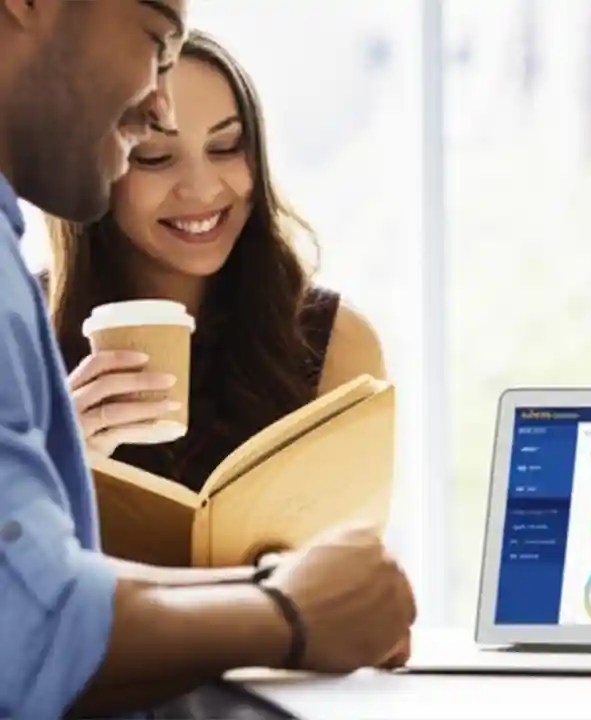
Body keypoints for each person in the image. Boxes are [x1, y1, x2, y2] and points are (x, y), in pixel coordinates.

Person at [0, 2, 414, 717]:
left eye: (227, 147)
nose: (152, 107)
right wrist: (283, 611)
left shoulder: (328, 333)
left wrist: (308, 599)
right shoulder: (29, 308)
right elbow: (33, 629)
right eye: (155, 38)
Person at [44, 30, 386, 492]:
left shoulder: (337, 344)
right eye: (155, 156)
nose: (202, 190)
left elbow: (353, 555)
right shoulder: (18, 336)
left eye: (226, 147)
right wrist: (47, 477)